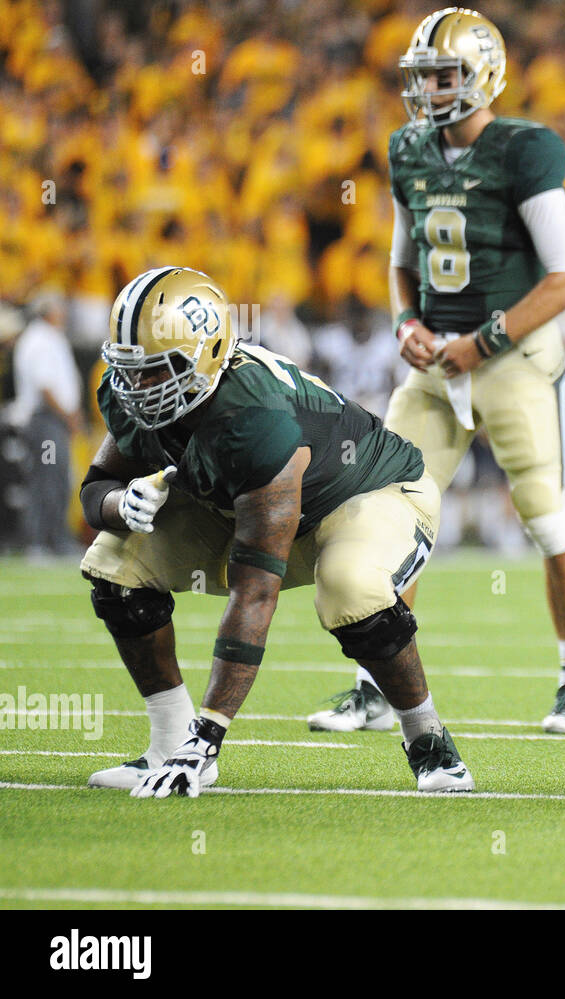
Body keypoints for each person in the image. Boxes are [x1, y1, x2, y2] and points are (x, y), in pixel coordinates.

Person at [307, 7, 565, 735]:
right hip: (436, 360)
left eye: (445, 74)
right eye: (423, 76)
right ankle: (376, 685)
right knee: (383, 507)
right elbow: (402, 262)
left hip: (514, 360)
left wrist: (488, 338)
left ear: (485, 74)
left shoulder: (524, 149)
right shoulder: (407, 148)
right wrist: (406, 322)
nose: (431, 89)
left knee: (547, 515)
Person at [80, 266, 470, 797]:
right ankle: (168, 743)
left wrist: (210, 736)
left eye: (157, 370)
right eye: (130, 369)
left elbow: (256, 590)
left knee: (350, 588)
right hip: (247, 504)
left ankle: (430, 744)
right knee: (115, 564)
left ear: (208, 355)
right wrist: (118, 503)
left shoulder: (252, 416)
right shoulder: (135, 394)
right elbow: (96, 484)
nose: (138, 386)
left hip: (370, 493)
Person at [12, 289, 84, 557]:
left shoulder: (51, 338)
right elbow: (46, 388)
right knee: (47, 479)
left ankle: (56, 540)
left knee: (57, 479)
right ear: (48, 311)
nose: (63, 312)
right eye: (59, 307)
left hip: (55, 423)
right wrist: (69, 416)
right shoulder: (39, 340)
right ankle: (40, 543)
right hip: (46, 423)